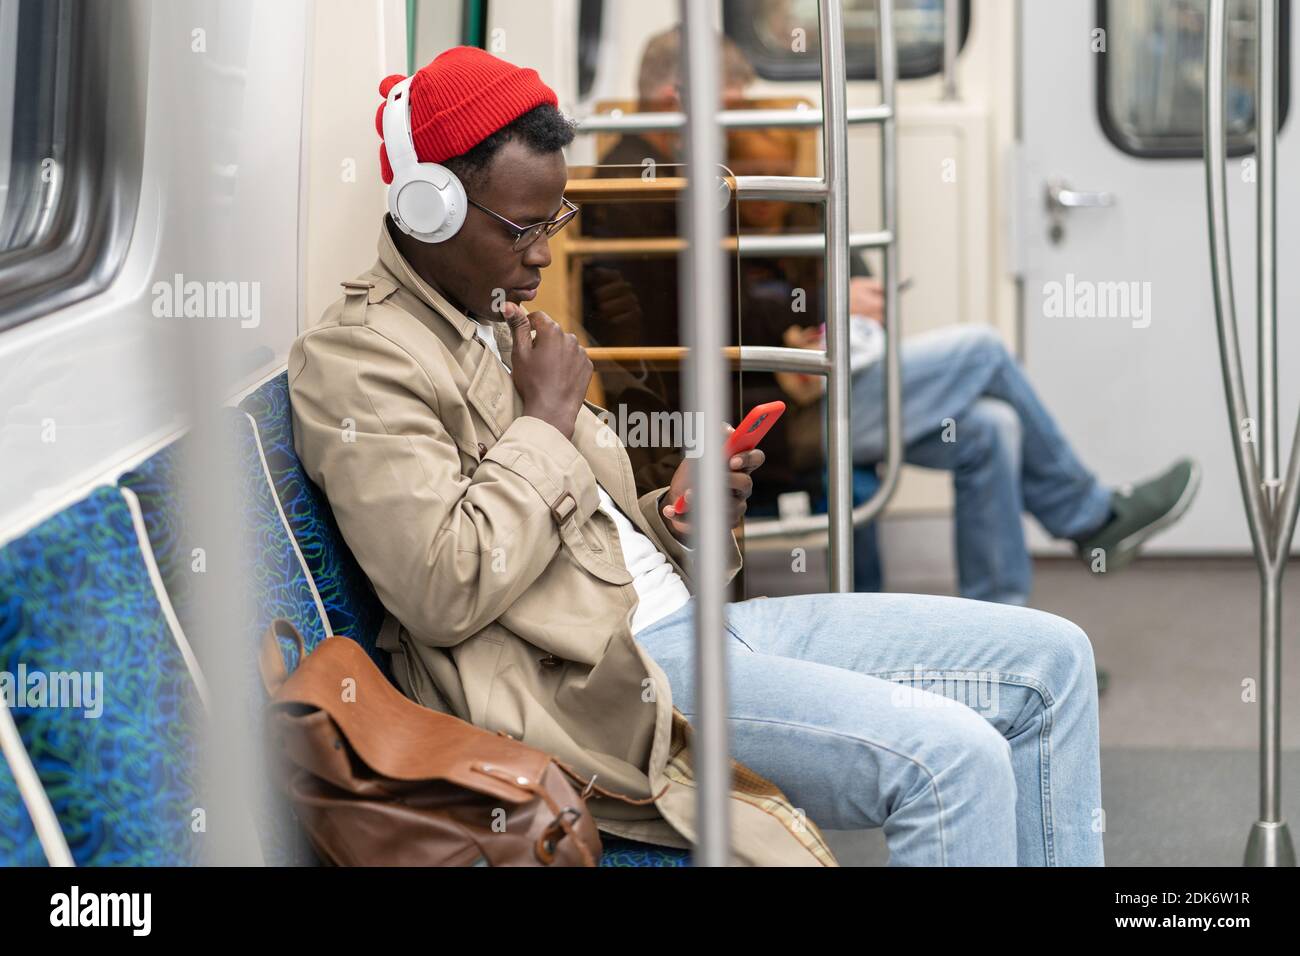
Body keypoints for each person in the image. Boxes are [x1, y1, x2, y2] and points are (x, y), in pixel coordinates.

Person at [288, 46, 1104, 865]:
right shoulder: (361, 359)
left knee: (1054, 661)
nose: (543, 252)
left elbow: (591, 536)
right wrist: (543, 420)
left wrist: (677, 516)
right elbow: (440, 585)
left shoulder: (502, 318)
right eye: (523, 227)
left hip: (699, 625)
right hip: (599, 681)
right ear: (429, 207)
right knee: (950, 761)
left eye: (554, 221)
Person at [618, 25, 1201, 605]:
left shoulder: (682, 176)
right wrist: (824, 306)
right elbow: (700, 317)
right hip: (758, 417)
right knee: (981, 349)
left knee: (993, 429)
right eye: (734, 111)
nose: (739, 129)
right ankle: (1090, 517)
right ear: (680, 97)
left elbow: (745, 295)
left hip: (784, 391)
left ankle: (1007, 633)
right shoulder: (642, 185)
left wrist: (831, 298)